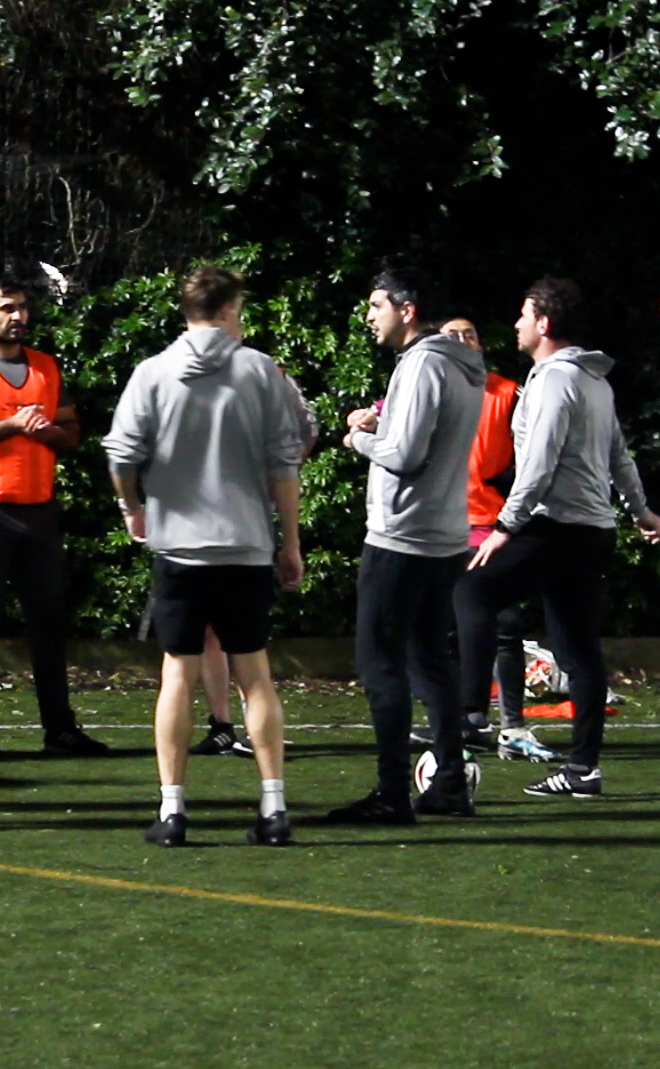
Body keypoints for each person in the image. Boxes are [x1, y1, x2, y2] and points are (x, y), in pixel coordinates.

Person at [102, 265, 306, 847]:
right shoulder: (258, 370)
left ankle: (172, 811)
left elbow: (121, 456)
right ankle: (273, 807)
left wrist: (132, 510)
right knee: (255, 675)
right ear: (228, 308)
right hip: (243, 544)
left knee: (177, 674)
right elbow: (283, 463)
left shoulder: (153, 372)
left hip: (180, 546)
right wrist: (288, 540)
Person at [455, 278, 660, 798]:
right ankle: (583, 770)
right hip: (592, 533)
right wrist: (641, 511)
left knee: (471, 590)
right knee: (578, 653)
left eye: (524, 315)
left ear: (545, 324)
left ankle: (471, 719)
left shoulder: (555, 381)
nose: (517, 325)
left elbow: (538, 465)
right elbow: (620, 455)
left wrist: (506, 527)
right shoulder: (594, 380)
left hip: (559, 530)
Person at [326, 269, 486, 824]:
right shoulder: (462, 364)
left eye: (376, 305)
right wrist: (384, 425)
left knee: (380, 665)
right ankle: (448, 785)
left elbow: (407, 454)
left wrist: (358, 437)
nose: (371, 316)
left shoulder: (423, 363)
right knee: (431, 662)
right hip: (443, 535)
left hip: (403, 536)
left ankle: (392, 793)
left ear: (408, 309)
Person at [0, 279, 107, 759]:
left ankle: (60, 730)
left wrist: (49, 430)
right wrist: (12, 424)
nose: (18, 316)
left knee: (48, 623)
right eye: (7, 308)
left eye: (23, 308)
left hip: (38, 510)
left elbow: (71, 432)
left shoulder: (47, 368)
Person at [438, 311, 560, 764]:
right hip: (442, 526)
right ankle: (460, 721)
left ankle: (510, 725)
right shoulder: (427, 389)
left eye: (470, 333)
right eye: (452, 335)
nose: (463, 340)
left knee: (504, 625)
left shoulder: (508, 393)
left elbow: (534, 453)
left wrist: (513, 503)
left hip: (492, 523)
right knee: (450, 627)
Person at [190, 370, 318, 757]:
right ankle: (222, 725)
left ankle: (256, 729)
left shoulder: (269, 378)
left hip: (247, 521)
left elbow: (306, 430)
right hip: (201, 517)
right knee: (208, 630)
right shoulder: (186, 377)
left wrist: (270, 473)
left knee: (245, 632)